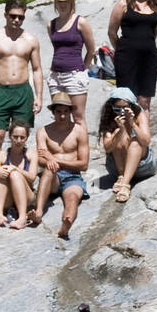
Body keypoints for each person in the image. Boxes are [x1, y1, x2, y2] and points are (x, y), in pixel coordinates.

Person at [0, 0, 44, 154]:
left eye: (20, 17)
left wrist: (39, 97)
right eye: (13, 16)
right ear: (5, 15)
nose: (16, 20)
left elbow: (37, 69)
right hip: (1, 91)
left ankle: (17, 171)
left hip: (23, 91)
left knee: (20, 136)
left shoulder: (31, 40)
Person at [32, 92, 91, 239]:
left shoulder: (79, 131)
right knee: (48, 170)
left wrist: (55, 159)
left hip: (73, 175)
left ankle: (67, 222)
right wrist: (50, 161)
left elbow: (84, 164)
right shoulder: (43, 132)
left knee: (72, 197)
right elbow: (40, 158)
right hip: (53, 176)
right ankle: (39, 212)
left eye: (66, 112)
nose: (62, 116)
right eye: (58, 112)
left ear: (71, 111)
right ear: (53, 112)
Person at [107, 0, 157, 113]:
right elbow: (112, 32)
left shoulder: (155, 5)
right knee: (125, 99)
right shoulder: (123, 4)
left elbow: (154, 31)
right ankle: (125, 135)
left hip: (149, 57)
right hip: (126, 58)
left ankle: (143, 134)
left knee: (145, 100)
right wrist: (123, 49)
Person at [46, 0, 96, 125]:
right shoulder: (52, 24)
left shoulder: (81, 22)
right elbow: (57, 47)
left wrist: (82, 69)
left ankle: (82, 147)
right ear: (55, 3)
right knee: (59, 116)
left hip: (74, 74)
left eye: (66, 1)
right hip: (55, 76)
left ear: (72, 2)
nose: (63, 5)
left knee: (78, 116)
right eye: (60, 1)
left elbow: (91, 49)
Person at [99, 87, 154, 203]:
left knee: (135, 141)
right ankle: (122, 176)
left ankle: (125, 183)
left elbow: (146, 141)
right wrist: (121, 129)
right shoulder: (109, 118)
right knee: (118, 136)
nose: (121, 112)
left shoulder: (139, 114)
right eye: (117, 109)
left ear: (131, 106)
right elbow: (108, 147)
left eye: (125, 108)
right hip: (117, 166)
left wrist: (132, 124)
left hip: (142, 165)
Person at [0, 120, 39, 229]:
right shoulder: (1, 155)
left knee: (14, 175)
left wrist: (15, 169)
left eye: (22, 137)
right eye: (15, 137)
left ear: (26, 138)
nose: (18, 141)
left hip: (27, 197)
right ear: (10, 136)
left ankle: (22, 218)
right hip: (7, 198)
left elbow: (32, 178)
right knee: (0, 174)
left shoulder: (31, 154)